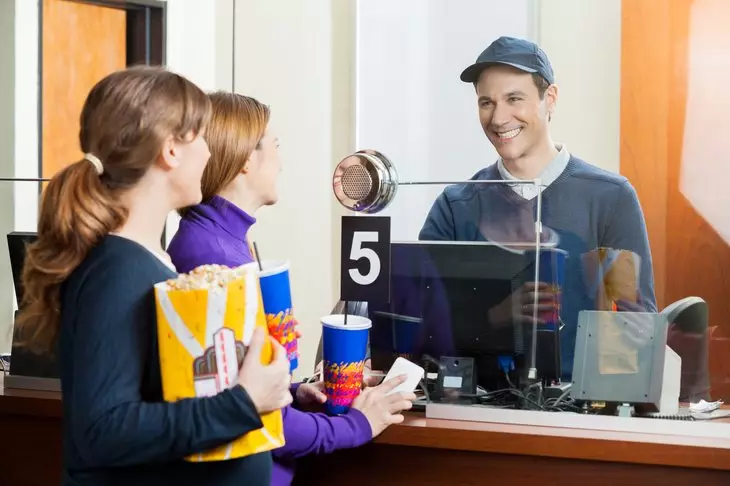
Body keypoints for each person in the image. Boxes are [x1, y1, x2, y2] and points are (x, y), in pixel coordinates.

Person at [16, 66, 294, 486]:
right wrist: (245, 401)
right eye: (200, 136)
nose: (209, 152)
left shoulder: (144, 259)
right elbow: (103, 431)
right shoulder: (116, 270)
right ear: (171, 150)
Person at [167, 92, 417, 486]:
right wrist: (358, 424)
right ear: (247, 158)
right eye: (276, 146)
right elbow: (256, 421)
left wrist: (297, 391)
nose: (281, 162)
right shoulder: (213, 258)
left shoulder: (223, 241)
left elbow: (239, 390)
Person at [419, 36, 657, 379]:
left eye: (514, 98)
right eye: (486, 102)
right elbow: (424, 325)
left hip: (581, 413)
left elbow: (634, 322)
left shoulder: (609, 198)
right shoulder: (456, 207)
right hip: (475, 413)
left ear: (551, 99)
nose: (499, 118)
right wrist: (497, 316)